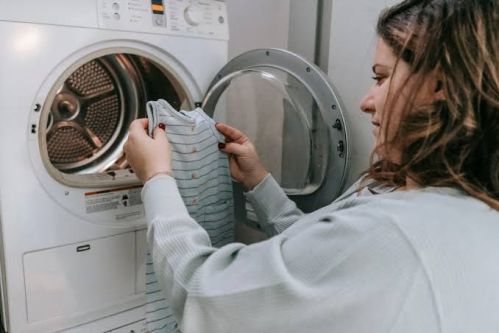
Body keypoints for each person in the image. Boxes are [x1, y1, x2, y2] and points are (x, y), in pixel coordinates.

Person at [124, 0, 499, 332]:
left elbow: (204, 294)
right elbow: (318, 259)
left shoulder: (392, 230)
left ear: (439, 84)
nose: (367, 101)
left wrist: (157, 178)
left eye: (382, 78)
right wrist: (259, 181)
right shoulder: (457, 203)